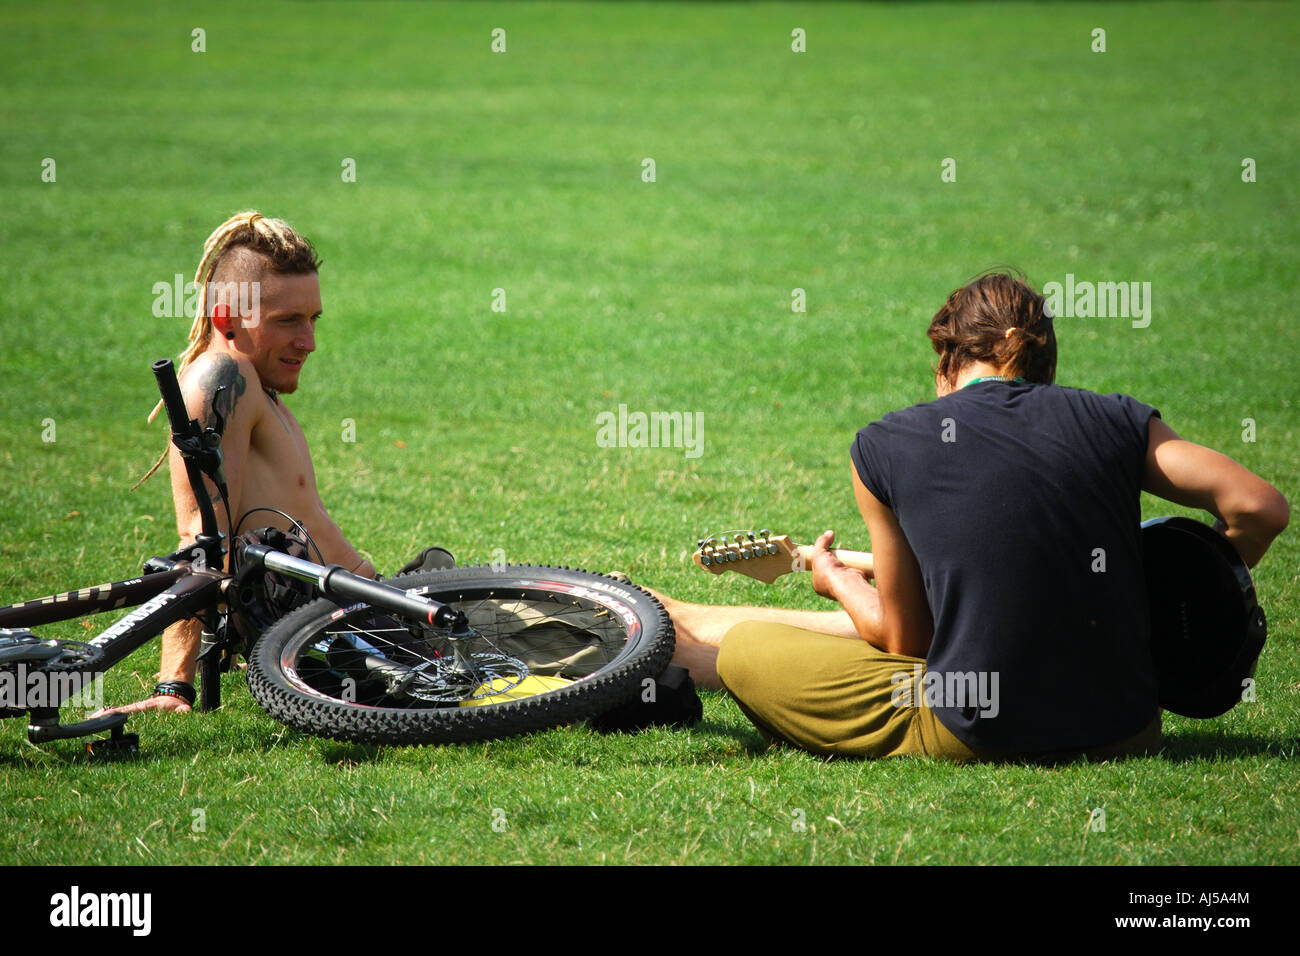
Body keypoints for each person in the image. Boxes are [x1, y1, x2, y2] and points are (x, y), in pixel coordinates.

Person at [658, 272, 1288, 762]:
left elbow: (906, 640)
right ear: (1044, 366)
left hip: (976, 727)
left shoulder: (886, 443)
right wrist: (1193, 578)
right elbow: (1259, 507)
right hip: (1127, 728)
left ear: (947, 360)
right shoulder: (1114, 419)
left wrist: (834, 577)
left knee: (745, 650)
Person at [104, 211, 380, 716]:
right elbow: (202, 540)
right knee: (548, 653)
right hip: (321, 629)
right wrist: (175, 686)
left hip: (364, 608)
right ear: (228, 318)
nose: (309, 342)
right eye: (288, 322)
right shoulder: (220, 375)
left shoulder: (258, 387)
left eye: (313, 319)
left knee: (537, 625)